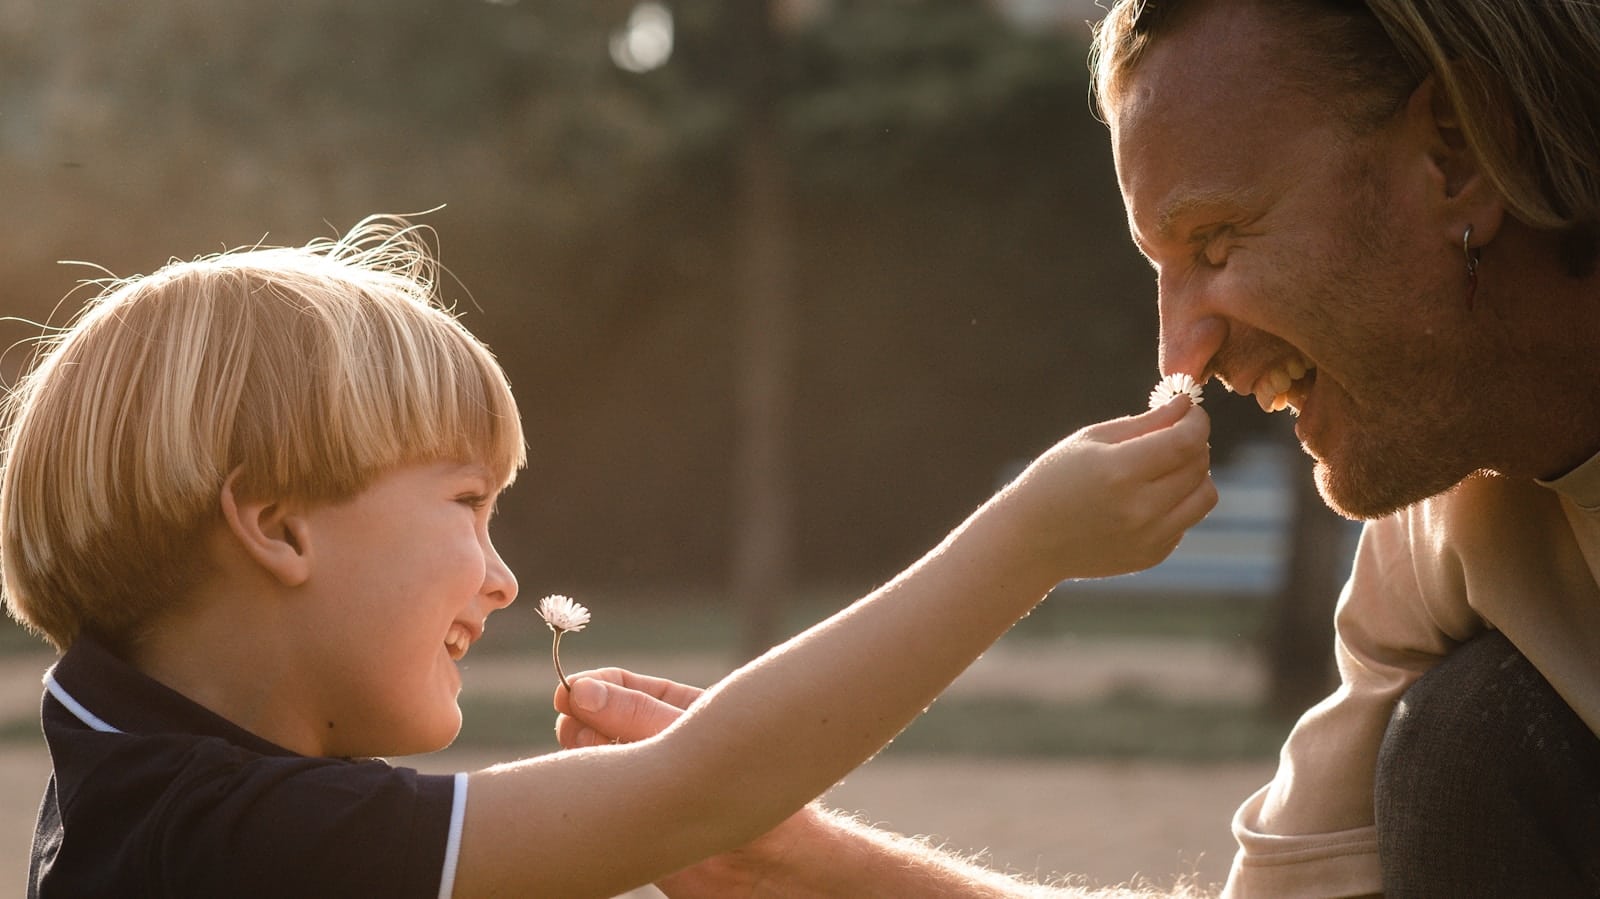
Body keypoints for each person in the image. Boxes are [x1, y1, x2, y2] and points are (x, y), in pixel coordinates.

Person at [559, 1, 1600, 897]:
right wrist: (803, 865)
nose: (1178, 351)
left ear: (1457, 154)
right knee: (1468, 740)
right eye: (1161, 266)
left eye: (1218, 241)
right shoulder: (1445, 527)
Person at [0, 215, 1215, 897]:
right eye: (468, 503)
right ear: (277, 525)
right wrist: (1024, 543)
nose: (502, 576)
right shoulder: (223, 838)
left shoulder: (130, 780)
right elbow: (704, 789)